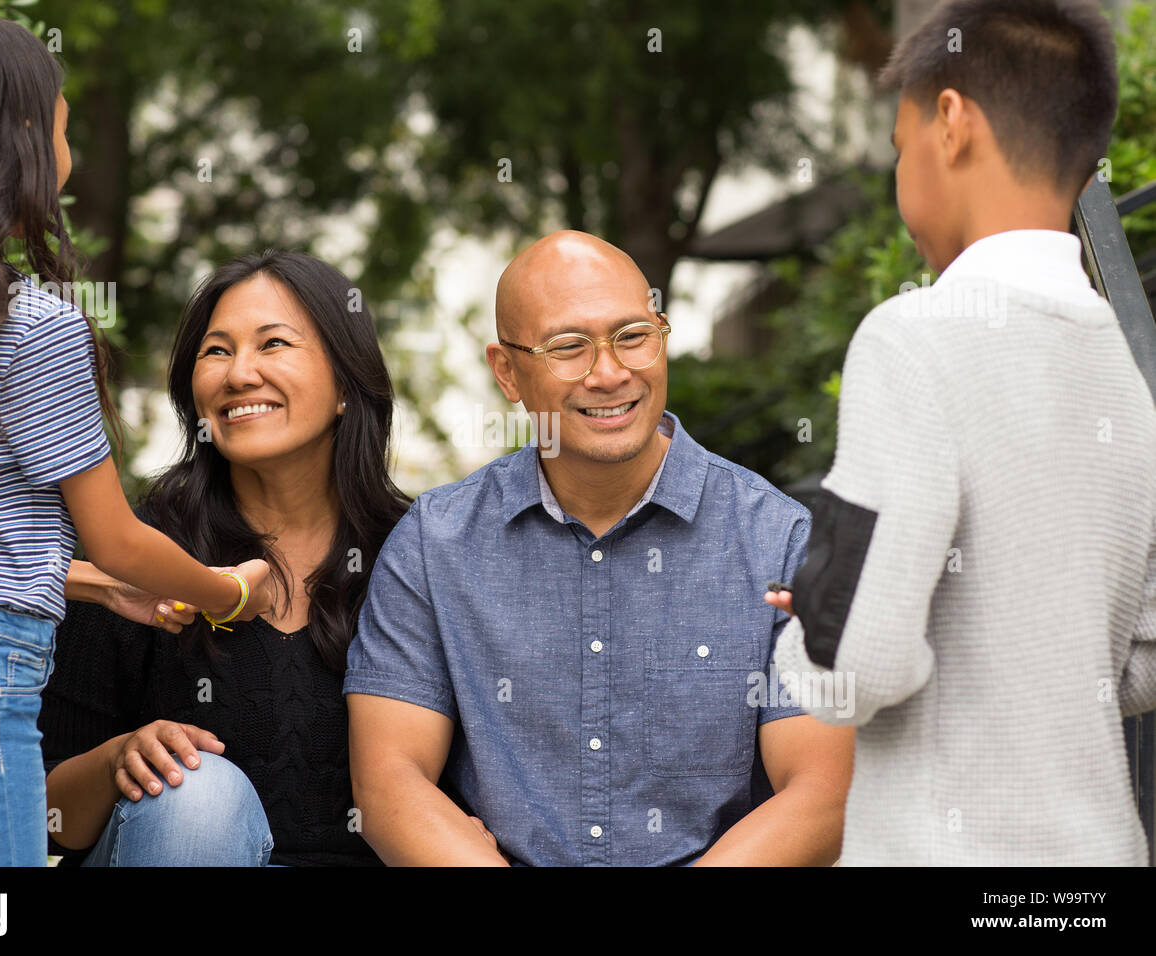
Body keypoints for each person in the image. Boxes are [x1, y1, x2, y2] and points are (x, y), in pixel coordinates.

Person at [0, 10, 274, 867]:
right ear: (19, 146)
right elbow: (116, 535)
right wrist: (227, 592)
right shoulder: (35, 327)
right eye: (63, 126)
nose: (68, 150)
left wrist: (88, 589)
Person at [770, 0, 1156, 865]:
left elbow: (853, 671)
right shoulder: (1129, 373)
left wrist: (817, 621)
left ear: (951, 125)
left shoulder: (913, 339)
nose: (899, 174)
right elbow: (1139, 661)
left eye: (899, 148)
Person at [345, 230, 854, 866]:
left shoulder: (780, 540)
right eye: (569, 347)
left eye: (633, 336)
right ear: (507, 372)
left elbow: (820, 795)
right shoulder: (435, 543)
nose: (610, 373)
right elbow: (390, 785)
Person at [42, 250, 408, 866]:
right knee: (195, 790)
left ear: (346, 383)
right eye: (216, 351)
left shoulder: (417, 553)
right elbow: (46, 818)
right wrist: (118, 757)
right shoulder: (139, 550)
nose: (239, 375)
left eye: (273, 344)